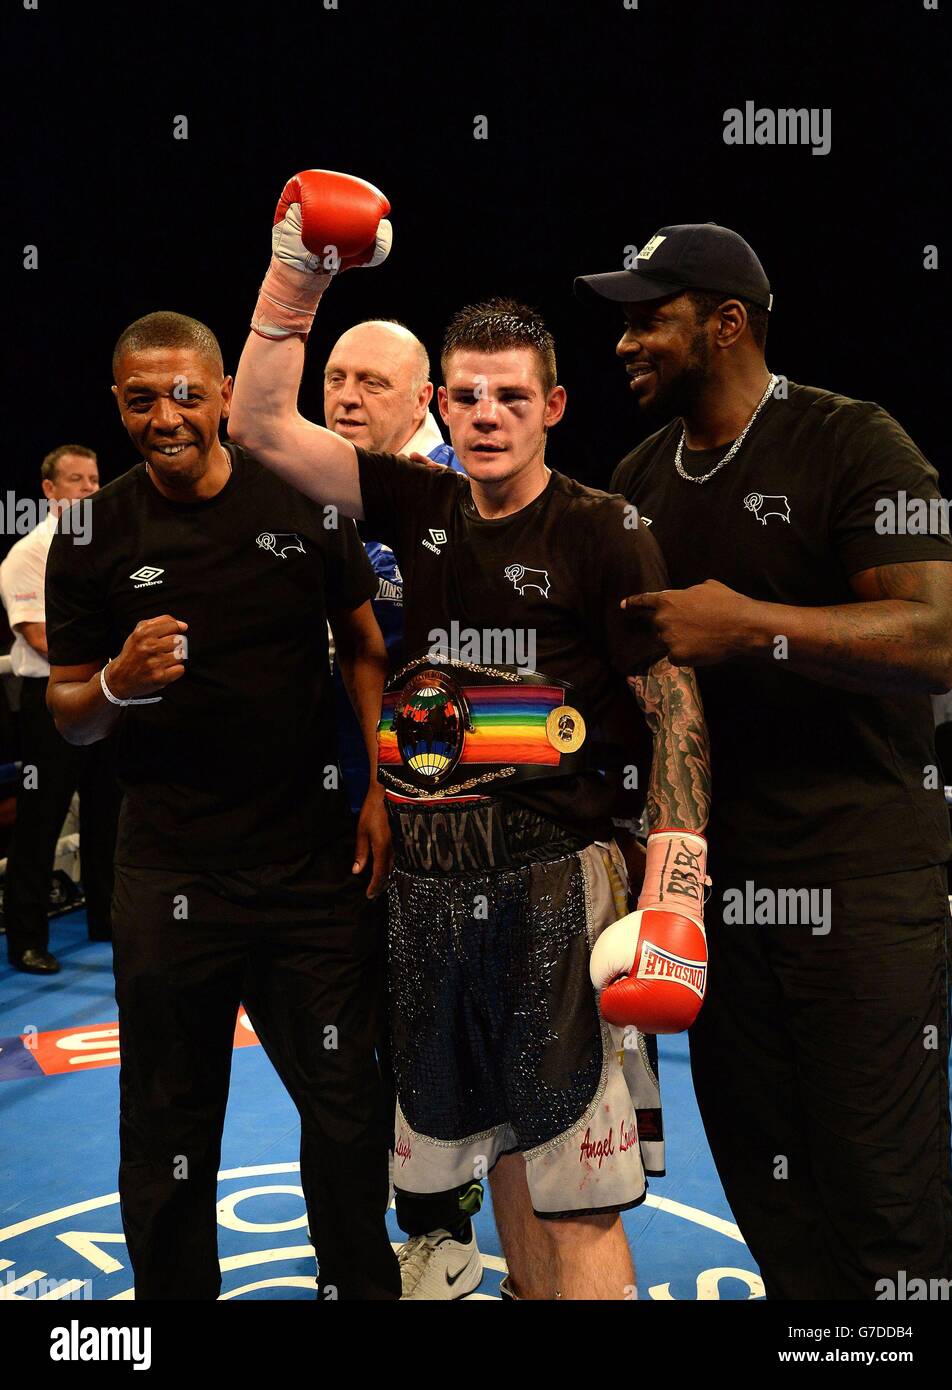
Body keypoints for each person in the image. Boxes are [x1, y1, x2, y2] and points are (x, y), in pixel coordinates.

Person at [228, 169, 712, 1300]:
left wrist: (676, 887)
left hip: (558, 884)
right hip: (435, 896)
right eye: (466, 396)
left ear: (551, 406)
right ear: (440, 407)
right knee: (498, 1159)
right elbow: (257, 425)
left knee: (577, 1192)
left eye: (509, 395)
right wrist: (296, 275)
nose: (486, 413)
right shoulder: (414, 503)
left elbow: (674, 705)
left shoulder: (605, 529)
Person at [575, 222, 952, 1298]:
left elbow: (934, 640)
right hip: (715, 900)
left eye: (650, 317)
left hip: (860, 887)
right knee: (770, 1191)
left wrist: (750, 626)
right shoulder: (638, 474)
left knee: (884, 1199)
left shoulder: (857, 440)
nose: (625, 342)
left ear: (727, 322)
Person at [44, 311, 400, 1300]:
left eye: (187, 393)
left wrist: (376, 781)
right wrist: (116, 680)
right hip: (166, 874)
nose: (167, 416)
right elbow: (68, 714)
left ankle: (362, 1289)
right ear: (116, 405)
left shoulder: (303, 504)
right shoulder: (89, 534)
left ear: (223, 398)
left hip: (309, 867)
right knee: (166, 1129)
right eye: (141, 399)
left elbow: (365, 643)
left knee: (346, 1111)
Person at [321, 318, 481, 1298]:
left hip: (444, 809)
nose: (345, 395)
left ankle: (440, 1227)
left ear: (420, 397)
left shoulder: (465, 491)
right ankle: (360, 1231)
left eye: (371, 380)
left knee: (438, 1023)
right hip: (326, 806)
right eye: (334, 376)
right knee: (346, 1028)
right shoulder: (311, 486)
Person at [1, 444, 119, 973]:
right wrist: (117, 652)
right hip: (50, 702)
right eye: (77, 481)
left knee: (106, 812)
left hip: (105, 693)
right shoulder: (29, 553)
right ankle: (26, 937)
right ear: (49, 490)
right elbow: (39, 636)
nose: (90, 490)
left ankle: (107, 917)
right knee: (40, 820)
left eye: (94, 480)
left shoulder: (110, 545)